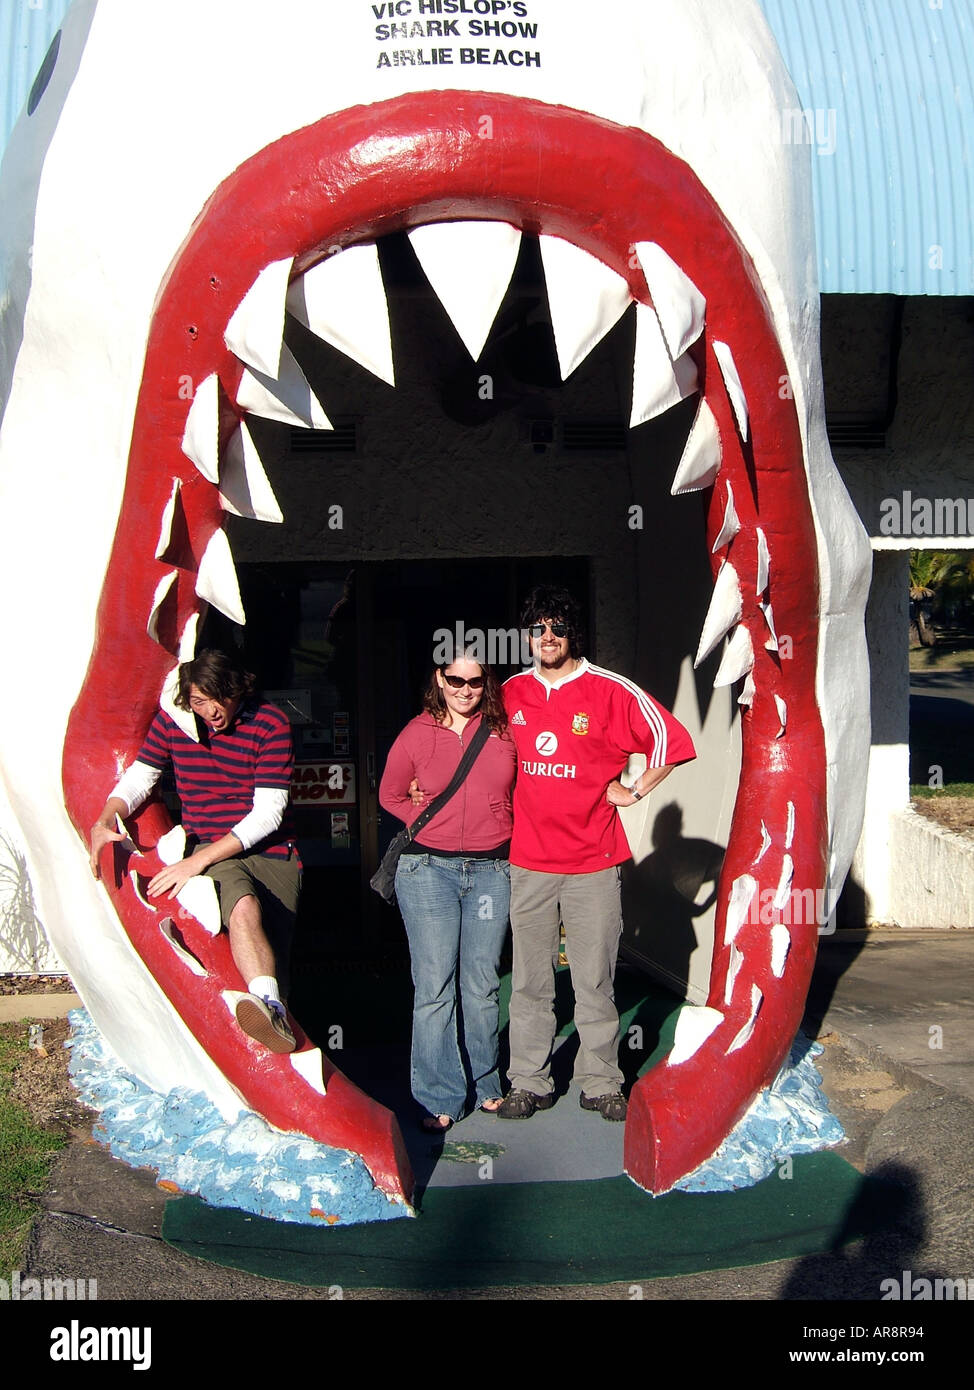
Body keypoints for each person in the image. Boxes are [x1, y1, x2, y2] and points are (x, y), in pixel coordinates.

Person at [497, 586, 696, 1122]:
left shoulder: (609, 690)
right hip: (529, 862)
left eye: (557, 628)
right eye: (537, 628)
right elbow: (481, 755)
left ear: (573, 633)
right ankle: (528, 1081)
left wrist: (634, 791)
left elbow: (671, 743)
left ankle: (601, 1080)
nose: (546, 638)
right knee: (531, 981)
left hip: (594, 861)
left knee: (594, 979)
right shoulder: (511, 692)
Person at [89, 649, 301, 1054]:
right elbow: (142, 776)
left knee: (276, 958)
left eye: (218, 698)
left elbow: (269, 814)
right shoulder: (175, 721)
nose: (210, 710)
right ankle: (270, 1008)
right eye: (200, 701)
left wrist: (194, 863)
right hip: (210, 846)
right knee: (242, 908)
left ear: (237, 688)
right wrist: (105, 819)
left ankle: (278, 1016)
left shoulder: (269, 722)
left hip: (272, 852)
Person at [379, 648, 516, 1134]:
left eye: (475, 682)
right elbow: (389, 794)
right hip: (428, 871)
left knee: (481, 985)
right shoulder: (416, 734)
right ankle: (439, 1095)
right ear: (439, 679)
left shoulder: (503, 732)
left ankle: (487, 1084)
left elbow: (527, 790)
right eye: (455, 680)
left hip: (490, 871)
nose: (464, 690)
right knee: (434, 986)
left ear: (486, 684)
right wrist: (422, 820)